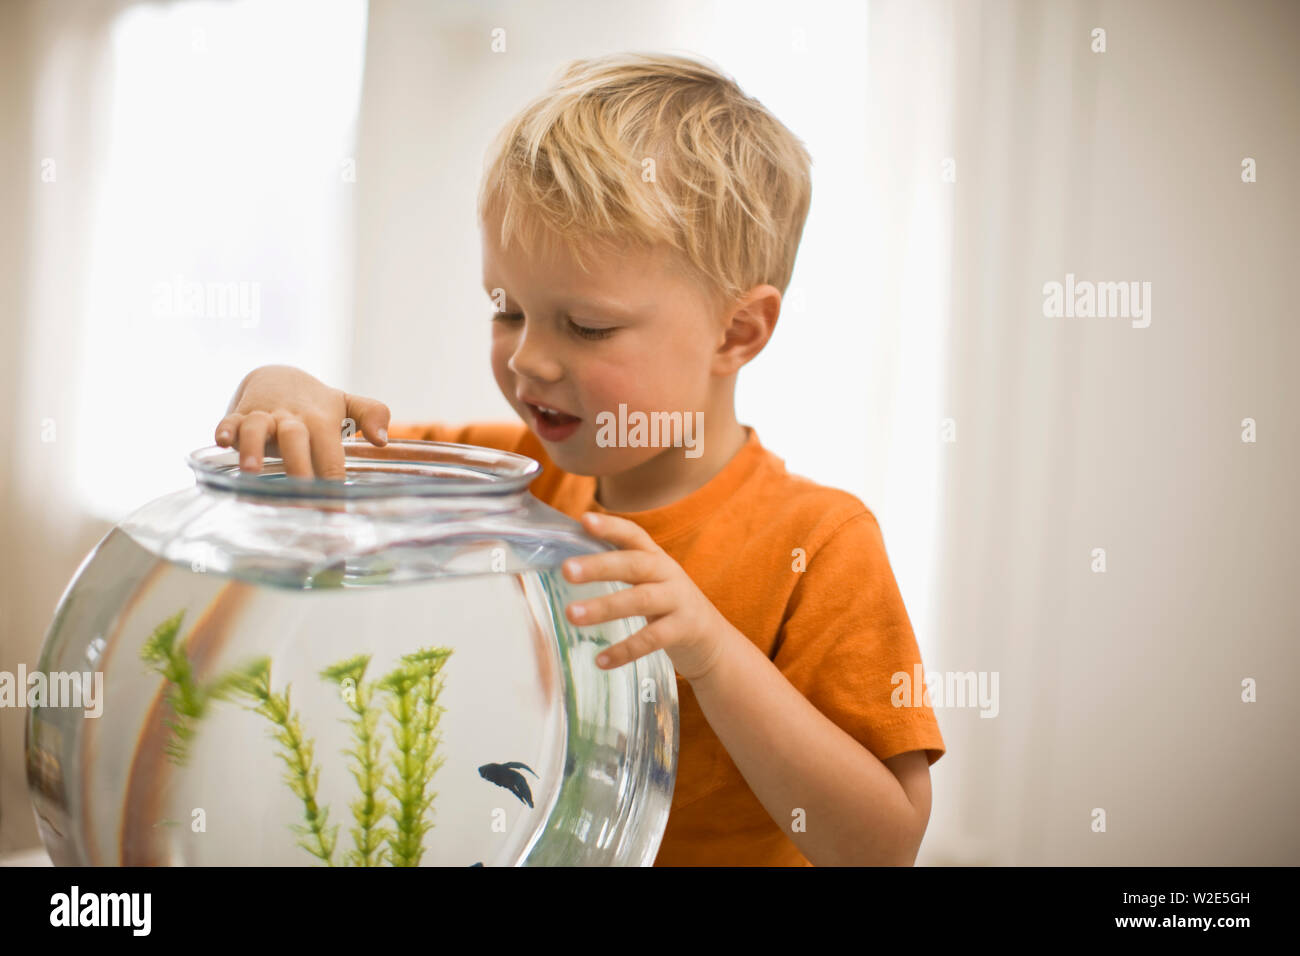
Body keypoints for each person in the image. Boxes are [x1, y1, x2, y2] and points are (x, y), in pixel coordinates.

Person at [214, 51, 944, 866]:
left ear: (738, 333)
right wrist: (277, 386)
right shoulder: (508, 477)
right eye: (507, 310)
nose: (528, 359)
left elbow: (882, 847)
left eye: (587, 326)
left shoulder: (822, 541)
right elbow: (328, 462)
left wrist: (711, 653)